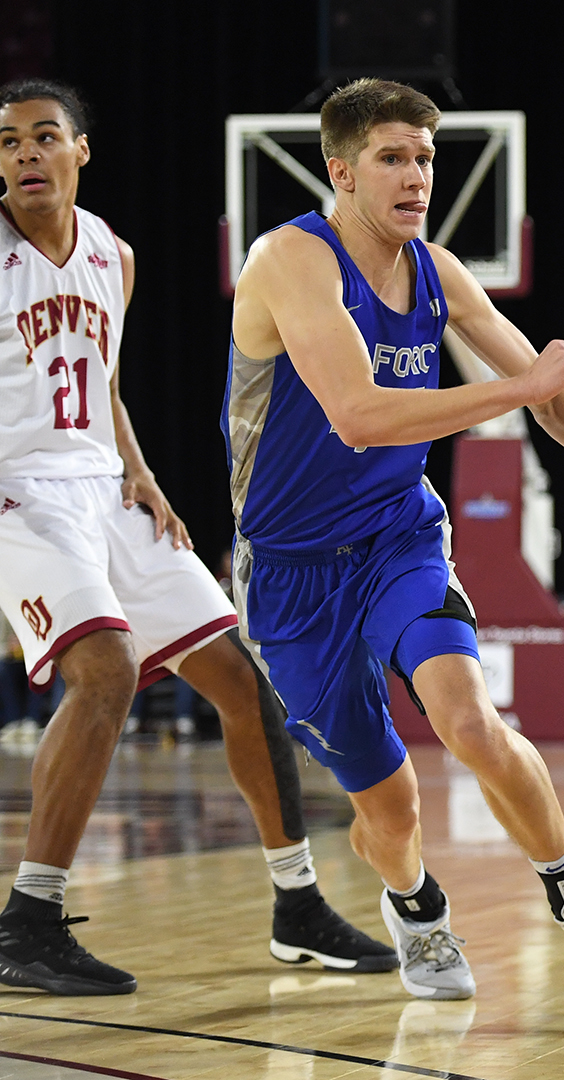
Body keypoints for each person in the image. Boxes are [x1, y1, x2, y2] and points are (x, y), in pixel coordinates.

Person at [225, 78, 564, 1001]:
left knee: (470, 721)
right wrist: (521, 389)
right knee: (390, 805)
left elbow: (549, 387)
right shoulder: (291, 260)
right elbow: (360, 416)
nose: (416, 177)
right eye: (393, 158)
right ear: (341, 171)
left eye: (427, 159)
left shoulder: (438, 271)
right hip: (290, 577)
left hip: (398, 539)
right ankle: (416, 910)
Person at [0, 79, 396, 995]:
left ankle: (298, 907)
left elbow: (101, 384)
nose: (24, 153)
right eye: (8, 141)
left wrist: (138, 472)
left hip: (104, 486)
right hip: (22, 496)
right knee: (104, 671)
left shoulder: (114, 255)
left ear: (79, 150)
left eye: (43, 136)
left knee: (243, 684)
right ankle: (29, 917)